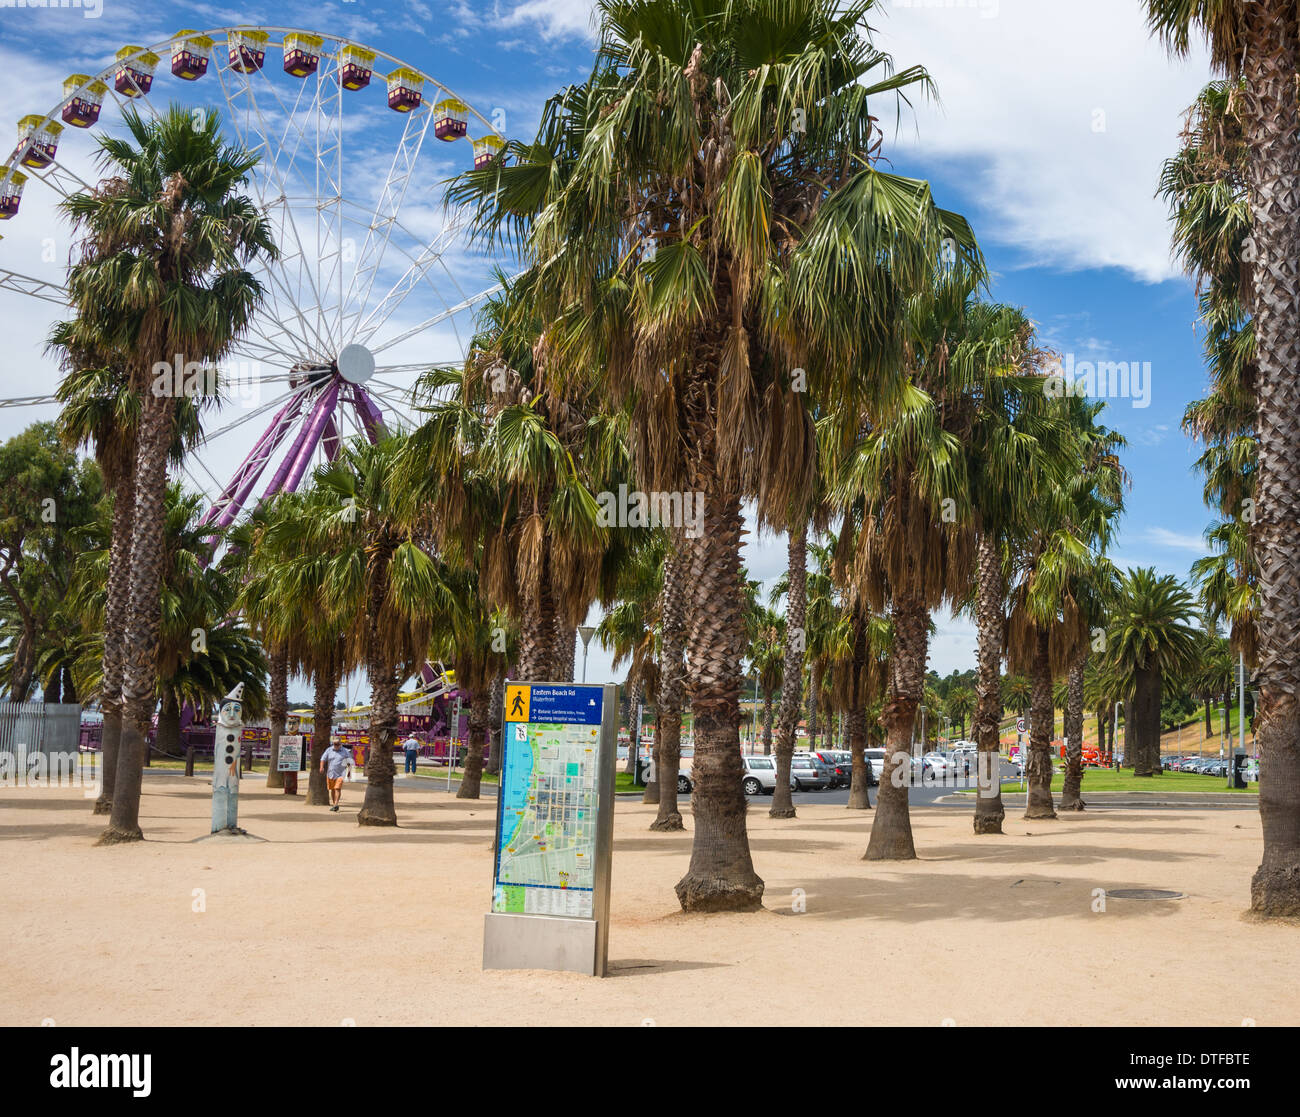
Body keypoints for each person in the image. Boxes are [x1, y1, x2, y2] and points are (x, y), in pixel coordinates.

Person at [320, 739, 352, 812]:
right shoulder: (329, 750)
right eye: (335, 744)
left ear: (340, 743)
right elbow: (323, 759)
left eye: (337, 744)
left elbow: (349, 761)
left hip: (341, 773)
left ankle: (336, 804)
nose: (336, 745)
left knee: (337, 788)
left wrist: (349, 772)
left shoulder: (345, 751)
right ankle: (334, 804)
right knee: (332, 789)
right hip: (330, 773)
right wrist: (321, 767)